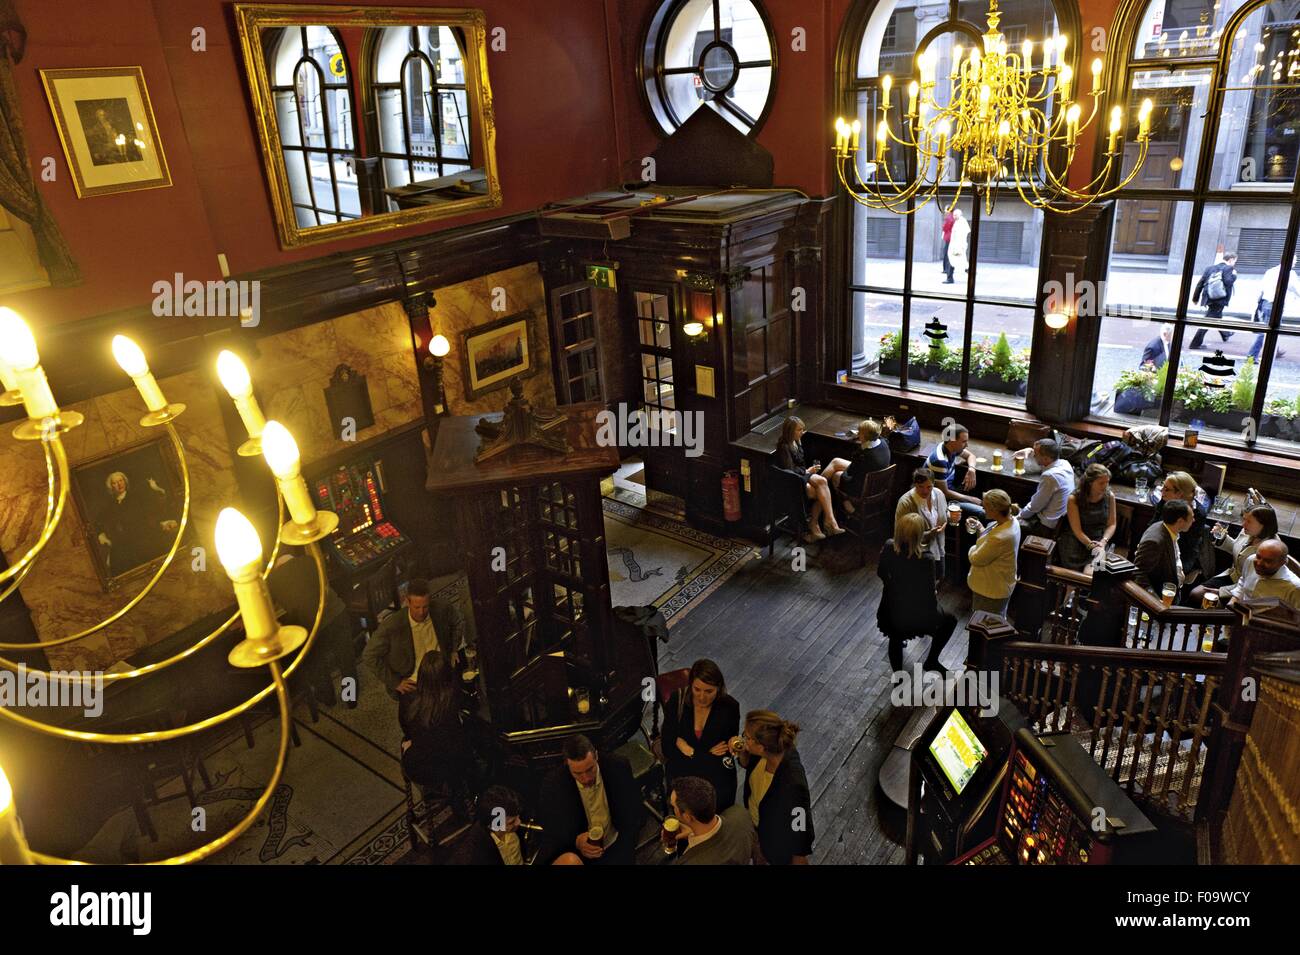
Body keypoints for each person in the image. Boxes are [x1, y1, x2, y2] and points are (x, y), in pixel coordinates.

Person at [268, 549, 357, 707]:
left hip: (312, 625)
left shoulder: (273, 580)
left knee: (317, 663)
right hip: (337, 613)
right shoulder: (310, 560)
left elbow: (268, 606)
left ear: (275, 564)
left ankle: (327, 697)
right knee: (346, 658)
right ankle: (350, 698)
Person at [537, 734, 644, 865]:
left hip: (617, 843)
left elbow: (634, 806)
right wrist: (576, 841)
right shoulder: (553, 784)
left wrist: (627, 842)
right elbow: (550, 826)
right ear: (567, 765)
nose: (586, 779)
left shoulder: (618, 766)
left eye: (590, 769)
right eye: (577, 773)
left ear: (596, 756)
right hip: (580, 854)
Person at [362, 578, 466, 701]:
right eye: (417, 607)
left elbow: (457, 622)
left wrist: (454, 649)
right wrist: (395, 682)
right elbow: (369, 655)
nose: (421, 612)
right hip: (413, 682)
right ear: (407, 602)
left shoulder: (441, 608)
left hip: (441, 670)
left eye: (425, 607)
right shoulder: (391, 626)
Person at [398, 652, 474, 821]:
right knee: (463, 756)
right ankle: (459, 801)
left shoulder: (408, 700)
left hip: (417, 766)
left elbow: (406, 730)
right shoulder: (452, 701)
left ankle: (445, 795)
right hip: (447, 766)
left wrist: (412, 745)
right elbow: (457, 742)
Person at [732, 711, 813, 865]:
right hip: (755, 825)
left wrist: (798, 857)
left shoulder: (794, 785)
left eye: (747, 737)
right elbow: (747, 764)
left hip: (773, 843)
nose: (744, 740)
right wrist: (742, 752)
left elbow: (801, 830)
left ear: (760, 746)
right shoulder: (766, 752)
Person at [878, 513, 956, 672]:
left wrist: (893, 587)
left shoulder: (889, 547)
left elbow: (881, 572)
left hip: (891, 608)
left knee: (895, 637)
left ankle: (898, 677)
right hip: (916, 612)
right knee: (950, 621)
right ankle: (932, 660)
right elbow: (929, 595)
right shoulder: (926, 559)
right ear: (920, 535)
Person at [660, 659, 740, 810]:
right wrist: (708, 755)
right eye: (697, 689)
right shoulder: (677, 700)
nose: (702, 697)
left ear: (719, 688)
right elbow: (667, 749)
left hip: (712, 776)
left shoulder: (730, 707)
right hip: (684, 774)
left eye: (709, 691)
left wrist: (690, 751)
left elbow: (724, 753)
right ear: (690, 685)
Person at [93, 470, 180, 575]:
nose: (119, 484)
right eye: (115, 483)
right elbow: (98, 522)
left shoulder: (136, 497)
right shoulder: (110, 506)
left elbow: (154, 510)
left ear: (125, 482)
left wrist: (157, 490)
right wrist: (101, 535)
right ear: (111, 487)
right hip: (123, 543)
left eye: (121, 480)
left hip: (143, 537)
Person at [775, 416, 845, 542]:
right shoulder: (784, 446)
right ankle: (817, 524)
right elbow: (790, 471)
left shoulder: (797, 441)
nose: (802, 432)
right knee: (821, 493)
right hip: (793, 481)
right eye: (799, 430)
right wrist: (807, 471)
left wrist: (807, 471)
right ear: (790, 431)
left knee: (823, 482)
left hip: (801, 475)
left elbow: (799, 463)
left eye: (802, 429)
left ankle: (828, 521)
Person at [668, 776, 756, 865]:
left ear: (687, 817)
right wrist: (692, 833)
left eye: (673, 806)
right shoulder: (739, 813)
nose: (673, 809)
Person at [1150, 471, 1214, 583]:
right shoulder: (1165, 500)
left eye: (1166, 489)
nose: (1161, 490)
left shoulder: (1198, 513)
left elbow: (1190, 547)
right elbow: (1153, 525)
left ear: (1179, 494)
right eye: (1163, 486)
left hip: (1182, 553)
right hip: (1160, 545)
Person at [966, 489, 1021, 618]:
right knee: (995, 620)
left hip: (991, 590)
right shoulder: (1011, 521)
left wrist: (973, 548)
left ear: (995, 510)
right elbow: (990, 543)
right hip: (1000, 583)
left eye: (985, 507)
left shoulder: (1000, 538)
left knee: (984, 623)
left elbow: (975, 559)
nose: (983, 509)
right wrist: (980, 527)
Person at [1055, 464, 1117, 572]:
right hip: (1076, 541)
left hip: (1099, 540)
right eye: (1101, 483)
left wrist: (1103, 542)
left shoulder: (1109, 496)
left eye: (1107, 482)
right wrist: (1091, 545)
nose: (1105, 486)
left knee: (1093, 575)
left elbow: (1112, 524)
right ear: (1090, 482)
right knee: (1076, 578)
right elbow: (1077, 530)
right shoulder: (1074, 498)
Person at [1013, 439, 1076, 537]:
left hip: (1046, 526)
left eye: (1035, 454)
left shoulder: (1050, 477)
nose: (1034, 456)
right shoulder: (1064, 463)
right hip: (1061, 519)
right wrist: (1030, 451)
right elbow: (1045, 465)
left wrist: (1018, 516)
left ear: (1046, 458)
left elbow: (1035, 506)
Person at [450, 785, 527, 865]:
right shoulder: (474, 854)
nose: (519, 822)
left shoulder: (512, 836)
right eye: (511, 822)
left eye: (518, 817)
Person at [1134, 499, 1195, 600]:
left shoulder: (1168, 528)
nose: (1194, 520)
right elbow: (1139, 573)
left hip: (1173, 590)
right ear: (1180, 521)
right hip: (1160, 597)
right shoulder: (1155, 542)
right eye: (1191, 518)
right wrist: (1155, 601)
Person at [1220, 539, 1300, 615]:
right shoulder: (1251, 560)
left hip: (1266, 623)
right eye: (1258, 557)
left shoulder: (1294, 587)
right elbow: (1243, 583)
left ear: (1283, 563)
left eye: (1267, 561)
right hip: (1242, 612)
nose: (1259, 563)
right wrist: (1232, 603)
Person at [1247, 254, 1300, 362]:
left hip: (1266, 303)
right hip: (1275, 306)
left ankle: (1275, 350)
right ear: (1289, 260)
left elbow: (1261, 288)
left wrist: (1257, 303)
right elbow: (1297, 289)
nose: (1295, 262)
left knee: (1271, 328)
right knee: (1268, 331)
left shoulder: (1270, 271)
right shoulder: (1290, 274)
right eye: (1294, 260)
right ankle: (1252, 356)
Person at [896, 467, 948, 575]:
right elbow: (901, 534)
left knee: (940, 575)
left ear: (933, 484)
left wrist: (951, 518)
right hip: (916, 553)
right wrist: (929, 534)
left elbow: (944, 515)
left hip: (938, 546)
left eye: (929, 487)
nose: (925, 491)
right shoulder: (905, 503)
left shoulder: (939, 494)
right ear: (915, 484)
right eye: (920, 486)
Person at [926, 422, 983, 518]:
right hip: (942, 499)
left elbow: (971, 456)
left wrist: (971, 470)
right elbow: (945, 493)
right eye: (964, 441)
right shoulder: (939, 461)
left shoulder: (950, 448)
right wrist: (971, 499)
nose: (967, 445)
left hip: (951, 488)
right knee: (981, 512)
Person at [834, 418, 892, 507]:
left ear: (865, 436)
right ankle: (819, 487)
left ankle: (847, 506)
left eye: (859, 433)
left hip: (865, 489)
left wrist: (843, 474)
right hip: (877, 482)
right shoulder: (883, 442)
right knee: (836, 461)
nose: (857, 434)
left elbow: (851, 476)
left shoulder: (864, 456)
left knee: (836, 475)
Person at [1188, 252, 1238, 350]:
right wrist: (1234, 276)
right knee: (1207, 321)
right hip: (1219, 300)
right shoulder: (1228, 268)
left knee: (1216, 316)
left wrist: (1195, 298)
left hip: (1209, 298)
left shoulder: (1210, 268)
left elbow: (1200, 283)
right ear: (1231, 259)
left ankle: (1225, 334)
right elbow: (1228, 282)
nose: (1234, 263)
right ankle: (1195, 344)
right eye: (1235, 261)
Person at [947, 209, 970, 283]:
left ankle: (950, 278)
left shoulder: (961, 222)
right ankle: (950, 278)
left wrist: (958, 247)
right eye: (953, 215)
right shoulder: (958, 221)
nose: (954, 216)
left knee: (953, 261)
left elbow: (961, 236)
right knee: (956, 261)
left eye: (955, 215)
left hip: (958, 246)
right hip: (956, 245)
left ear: (959, 214)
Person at [941, 209, 956, 283]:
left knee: (948, 256)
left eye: (945, 210)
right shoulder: (954, 217)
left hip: (949, 239)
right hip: (953, 239)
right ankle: (948, 274)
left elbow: (945, 227)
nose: (945, 211)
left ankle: (949, 276)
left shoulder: (949, 217)